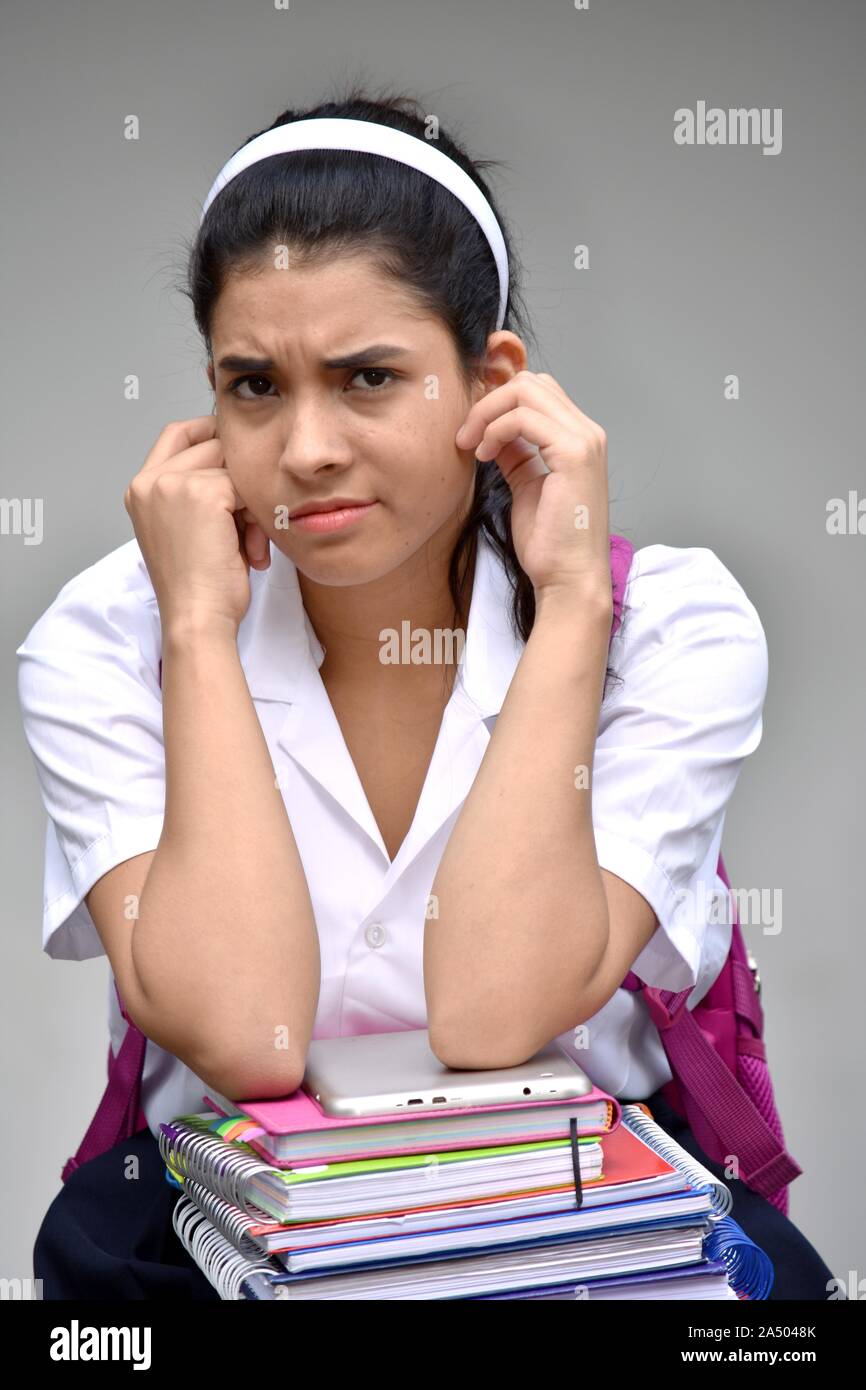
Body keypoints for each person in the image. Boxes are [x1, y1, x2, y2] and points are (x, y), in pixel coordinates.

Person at [17, 84, 835, 1301]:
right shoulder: (106, 636)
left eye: (366, 378)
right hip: (225, 1236)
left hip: (583, 1233)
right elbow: (248, 1037)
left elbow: (491, 1011)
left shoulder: (669, 623)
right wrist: (196, 625)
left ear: (490, 379)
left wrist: (568, 611)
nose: (303, 449)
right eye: (253, 385)